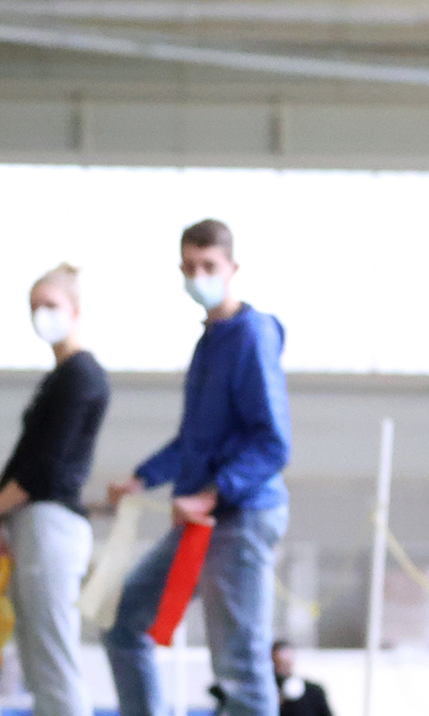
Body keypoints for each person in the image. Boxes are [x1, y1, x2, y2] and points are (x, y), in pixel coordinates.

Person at [104, 220, 290, 716]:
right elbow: (195, 439)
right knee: (125, 623)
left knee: (241, 665)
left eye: (208, 266)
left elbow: (272, 442)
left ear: (233, 269)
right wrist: (143, 477)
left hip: (241, 513)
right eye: (189, 267)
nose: (198, 276)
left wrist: (208, 495)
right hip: (203, 516)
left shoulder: (251, 335)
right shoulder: (211, 340)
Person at [0, 264, 111, 716]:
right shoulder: (57, 378)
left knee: (54, 659)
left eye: (50, 305)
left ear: (75, 309)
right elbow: (24, 454)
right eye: (35, 307)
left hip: (53, 522)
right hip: (31, 523)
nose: (42, 315)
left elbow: (44, 466)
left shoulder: (83, 375)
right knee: (36, 661)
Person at [271, 641, 334, 716]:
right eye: (278, 664)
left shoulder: (313, 691)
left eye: (286, 664)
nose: (282, 669)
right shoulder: (266, 693)